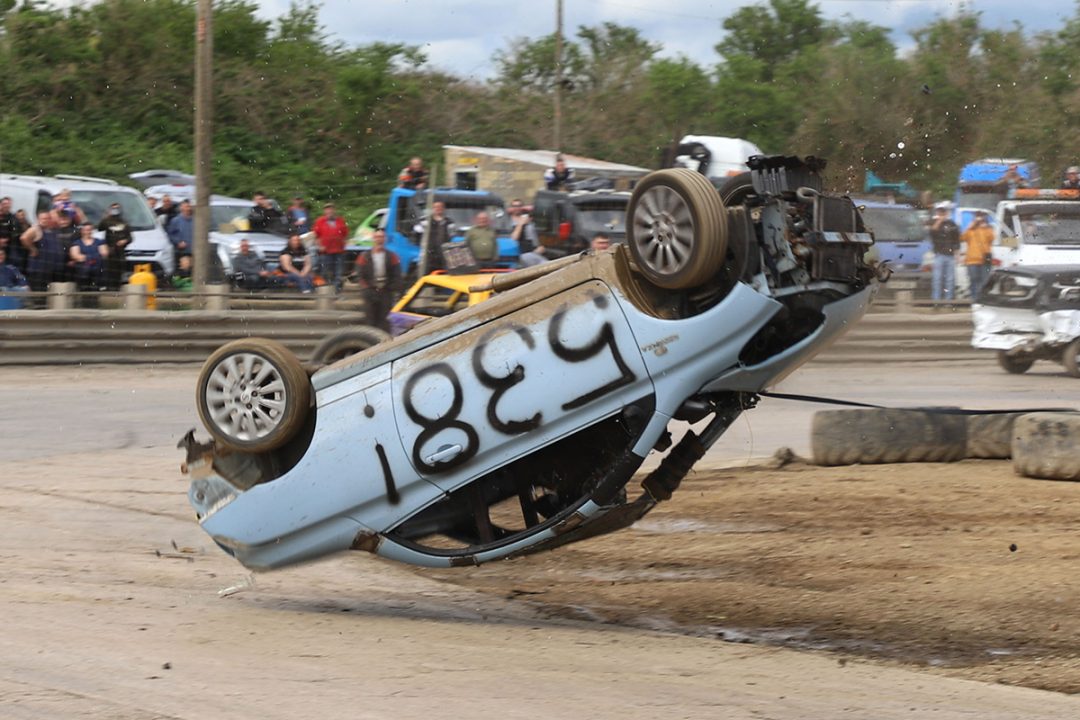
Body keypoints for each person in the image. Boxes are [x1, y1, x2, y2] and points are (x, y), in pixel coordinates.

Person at [354, 229, 402, 332]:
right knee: (370, 320)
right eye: (377, 237)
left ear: (385, 239)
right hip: (370, 292)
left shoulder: (392, 256)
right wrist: (366, 289)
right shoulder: (364, 256)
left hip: (386, 292)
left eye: (382, 237)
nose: (379, 240)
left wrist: (392, 288)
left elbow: (397, 275)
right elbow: (359, 275)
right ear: (373, 239)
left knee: (385, 320)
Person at [21, 211, 66, 291]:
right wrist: (33, 249)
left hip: (50, 269)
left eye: (48, 218)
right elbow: (24, 238)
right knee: (39, 294)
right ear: (38, 219)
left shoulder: (52, 230)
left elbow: (57, 218)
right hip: (38, 269)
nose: (45, 220)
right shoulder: (36, 229)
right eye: (43, 218)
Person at [313, 202, 349, 289]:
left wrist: (345, 244)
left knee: (338, 273)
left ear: (334, 210)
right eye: (327, 209)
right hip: (326, 252)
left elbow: (345, 234)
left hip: (339, 251)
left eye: (331, 209)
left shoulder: (340, 220)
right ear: (324, 211)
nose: (330, 211)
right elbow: (315, 236)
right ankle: (325, 292)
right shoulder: (319, 221)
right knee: (325, 272)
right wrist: (320, 246)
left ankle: (337, 292)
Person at [929, 205, 960, 304]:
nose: (941, 215)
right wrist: (939, 221)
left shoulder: (952, 224)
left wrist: (957, 254)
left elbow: (957, 240)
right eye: (939, 213)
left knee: (950, 279)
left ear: (947, 214)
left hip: (950, 255)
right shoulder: (934, 223)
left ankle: (948, 301)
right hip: (939, 254)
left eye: (943, 213)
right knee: (937, 279)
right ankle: (936, 301)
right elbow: (932, 232)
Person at [412, 200, 455, 272]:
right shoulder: (424, 220)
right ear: (432, 208)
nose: (438, 209)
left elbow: (452, 236)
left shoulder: (449, 222)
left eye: (440, 207)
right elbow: (416, 233)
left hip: (443, 255)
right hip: (428, 255)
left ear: (443, 208)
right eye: (436, 207)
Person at [98, 202, 132, 289]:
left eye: (117, 208)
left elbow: (130, 237)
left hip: (120, 251)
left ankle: (117, 288)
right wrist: (106, 215)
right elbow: (99, 228)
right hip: (110, 249)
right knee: (109, 269)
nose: (115, 210)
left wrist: (125, 241)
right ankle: (109, 288)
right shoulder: (107, 221)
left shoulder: (124, 222)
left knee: (119, 270)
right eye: (113, 208)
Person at [961, 210, 994, 299]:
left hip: (985, 259)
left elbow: (991, 238)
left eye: (981, 216)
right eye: (977, 216)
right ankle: (975, 299)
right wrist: (971, 226)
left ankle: (982, 300)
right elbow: (962, 238)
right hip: (972, 260)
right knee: (973, 280)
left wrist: (985, 227)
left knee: (984, 281)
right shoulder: (970, 230)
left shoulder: (988, 229)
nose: (979, 218)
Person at [69, 222, 108, 289]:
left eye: (90, 229)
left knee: (95, 291)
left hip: (98, 273)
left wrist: (85, 257)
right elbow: (75, 256)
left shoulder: (99, 241)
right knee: (84, 290)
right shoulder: (76, 243)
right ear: (82, 231)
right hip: (83, 274)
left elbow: (104, 253)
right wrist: (95, 257)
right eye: (86, 230)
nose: (88, 232)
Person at [510, 199, 546, 267]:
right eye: (515, 206)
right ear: (511, 208)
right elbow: (513, 238)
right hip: (521, 253)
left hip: (534, 251)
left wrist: (539, 247)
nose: (517, 208)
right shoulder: (509, 222)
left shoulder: (529, 221)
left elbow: (534, 236)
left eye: (519, 206)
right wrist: (521, 224)